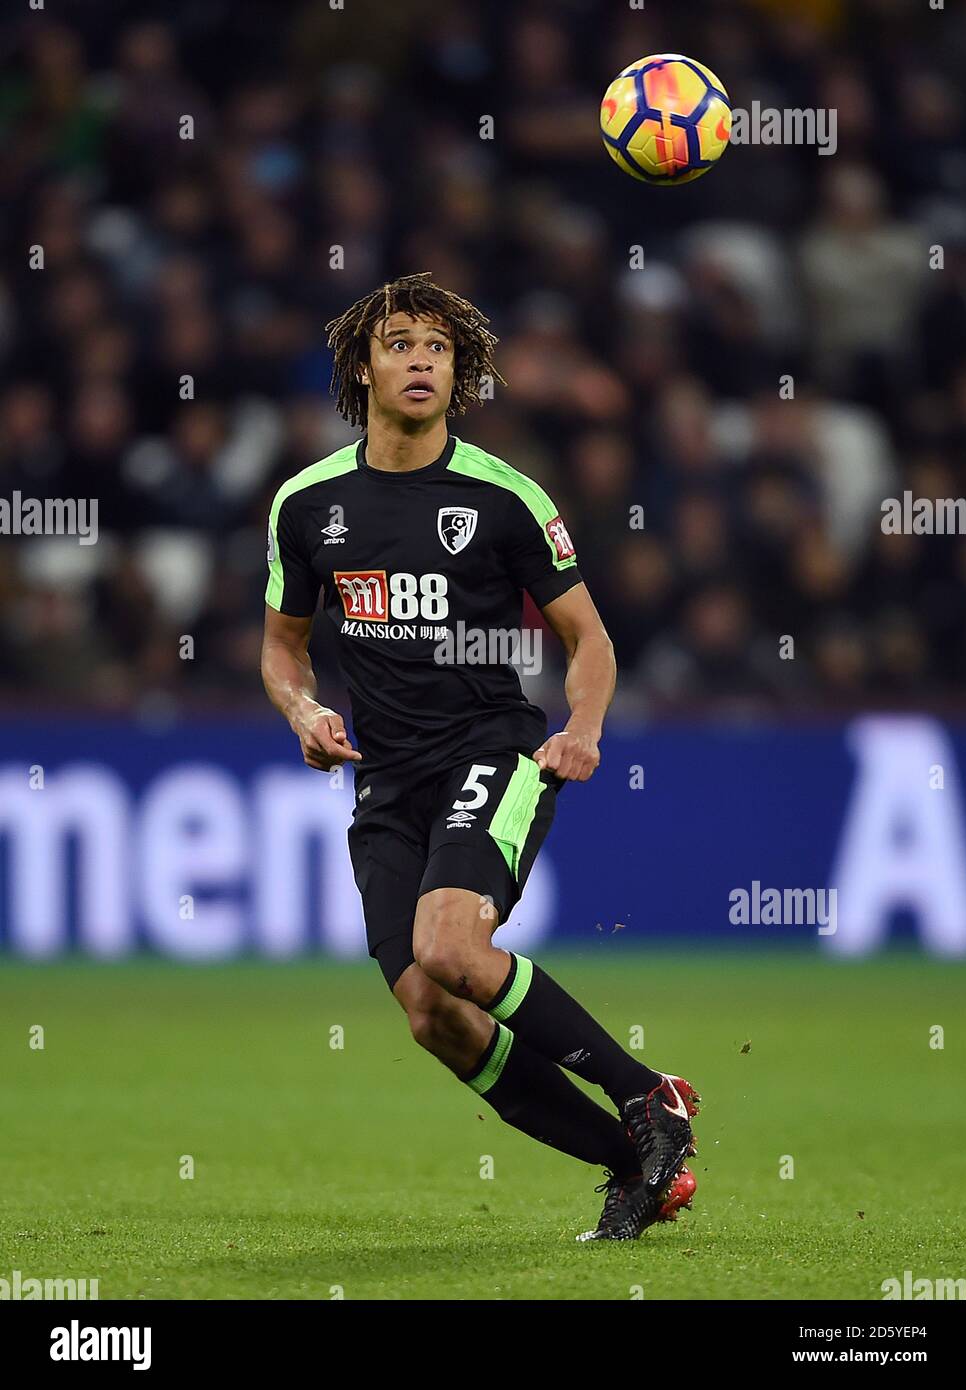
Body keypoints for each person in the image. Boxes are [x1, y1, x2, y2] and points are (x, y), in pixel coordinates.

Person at [260, 272, 699, 1240]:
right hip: (384, 779)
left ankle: (644, 1095)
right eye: (401, 342)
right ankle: (635, 1168)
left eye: (438, 348)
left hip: (489, 751)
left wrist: (579, 729)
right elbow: (282, 645)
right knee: (432, 1011)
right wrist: (300, 711)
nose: (420, 360)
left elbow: (588, 640)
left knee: (451, 949)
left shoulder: (502, 498)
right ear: (360, 365)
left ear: (457, 374)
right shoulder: (307, 503)